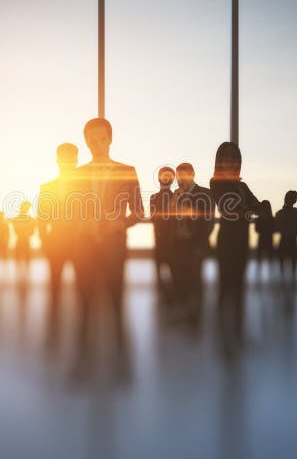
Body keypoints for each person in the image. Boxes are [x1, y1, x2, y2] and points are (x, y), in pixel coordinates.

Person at [71, 117, 144, 356]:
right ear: (86, 143)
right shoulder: (76, 175)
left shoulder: (127, 171)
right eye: (91, 141)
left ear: (110, 139)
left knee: (116, 299)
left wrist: (119, 223)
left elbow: (139, 212)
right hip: (84, 245)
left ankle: (122, 352)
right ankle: (82, 353)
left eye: (102, 139)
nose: (97, 144)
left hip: (114, 243)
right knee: (83, 302)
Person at [37, 142, 79, 343]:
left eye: (71, 158)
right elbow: (41, 219)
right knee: (55, 285)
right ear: (58, 161)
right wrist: (45, 241)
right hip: (56, 242)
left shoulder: (86, 188)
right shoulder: (47, 188)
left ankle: (80, 329)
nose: (68, 162)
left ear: (76, 160)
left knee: (82, 287)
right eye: (65, 158)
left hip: (81, 242)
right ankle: (53, 327)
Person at [210, 142, 260, 301]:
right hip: (227, 237)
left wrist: (251, 208)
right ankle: (223, 322)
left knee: (239, 285)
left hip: (243, 238)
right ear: (220, 160)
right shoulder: (216, 182)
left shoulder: (242, 186)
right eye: (227, 156)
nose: (231, 159)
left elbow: (257, 207)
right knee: (225, 285)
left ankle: (236, 322)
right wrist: (248, 209)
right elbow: (229, 209)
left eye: (234, 156)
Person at [171, 162, 214, 321]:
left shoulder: (205, 193)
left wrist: (200, 245)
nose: (180, 179)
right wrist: (174, 201)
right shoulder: (175, 194)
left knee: (195, 280)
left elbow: (208, 222)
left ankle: (196, 317)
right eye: (178, 176)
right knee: (179, 279)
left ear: (192, 175)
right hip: (178, 243)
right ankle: (182, 313)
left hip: (195, 244)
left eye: (183, 175)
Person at [149, 166, 176, 301]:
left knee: (172, 270)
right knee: (160, 269)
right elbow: (154, 217)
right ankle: (163, 296)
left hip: (173, 240)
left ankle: (171, 296)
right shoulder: (153, 197)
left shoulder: (177, 196)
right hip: (160, 238)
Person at [274, 190, 297, 280]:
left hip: (287, 240)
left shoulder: (280, 213)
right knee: (289, 264)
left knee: (284, 264)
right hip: (290, 240)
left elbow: (277, 227)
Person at [12, 201, 36, 275]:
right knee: (21, 258)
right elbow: (16, 229)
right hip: (22, 240)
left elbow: (31, 231)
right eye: (27, 207)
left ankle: (23, 274)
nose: (27, 209)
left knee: (24, 258)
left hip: (24, 240)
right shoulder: (29, 219)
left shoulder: (29, 219)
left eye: (28, 208)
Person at [254, 200, 275, 274]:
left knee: (260, 256)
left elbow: (256, 229)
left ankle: (259, 271)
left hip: (263, 238)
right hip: (268, 238)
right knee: (269, 256)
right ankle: (270, 272)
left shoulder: (259, 219)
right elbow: (274, 229)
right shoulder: (271, 218)